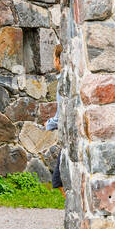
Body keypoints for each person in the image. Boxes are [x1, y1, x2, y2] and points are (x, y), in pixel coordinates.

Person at [46, 42, 63, 191]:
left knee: (58, 180)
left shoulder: (62, 82)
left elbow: (61, 113)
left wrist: (49, 125)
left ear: (58, 60)